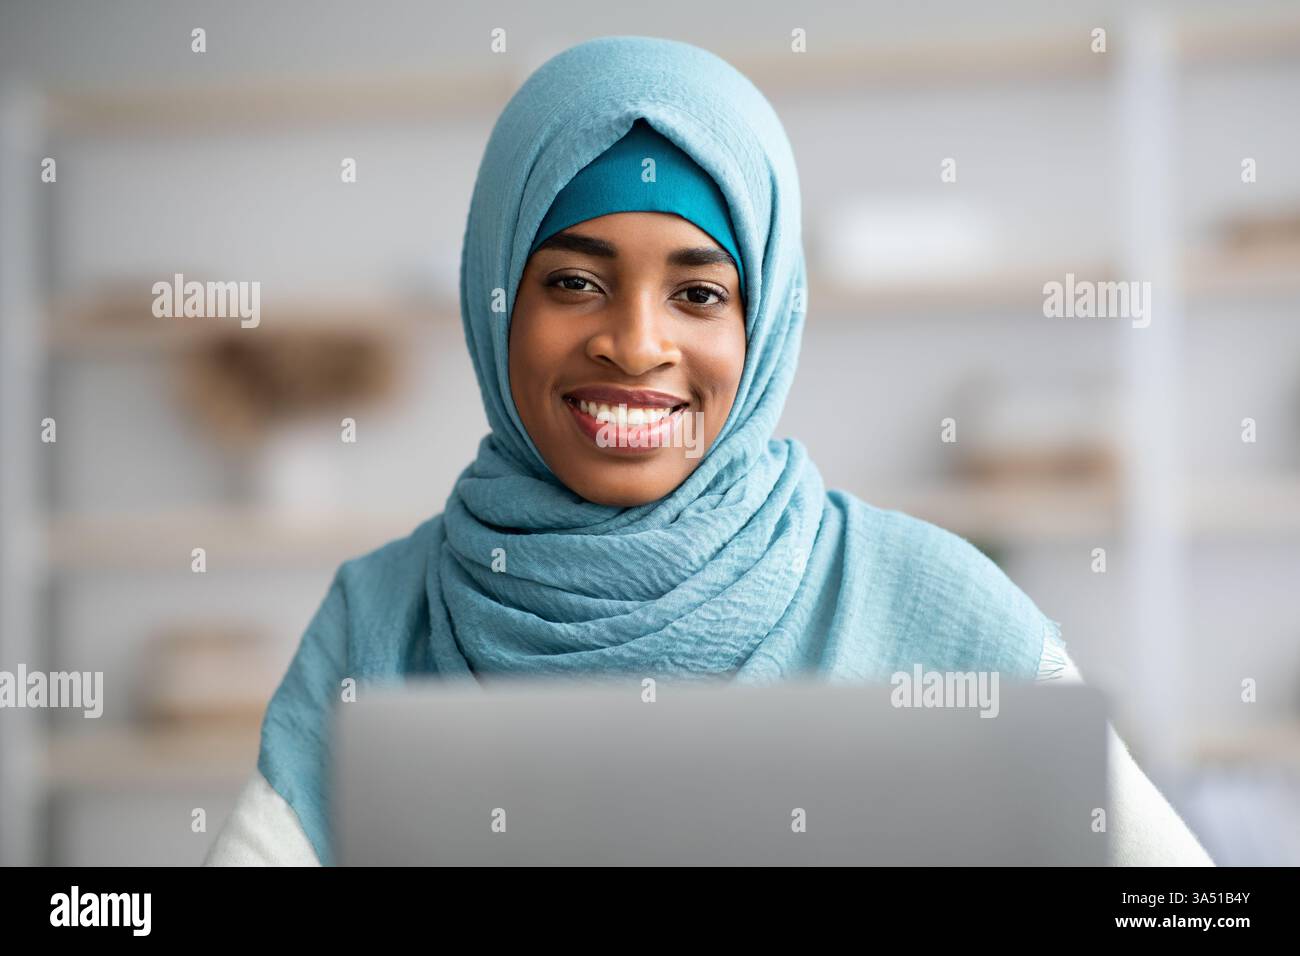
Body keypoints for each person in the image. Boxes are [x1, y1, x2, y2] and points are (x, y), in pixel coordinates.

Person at [204, 36, 1212, 867]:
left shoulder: (932, 604)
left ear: (761, 324)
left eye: (697, 293)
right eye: (572, 282)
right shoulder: (382, 620)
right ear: (495, 299)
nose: (635, 343)